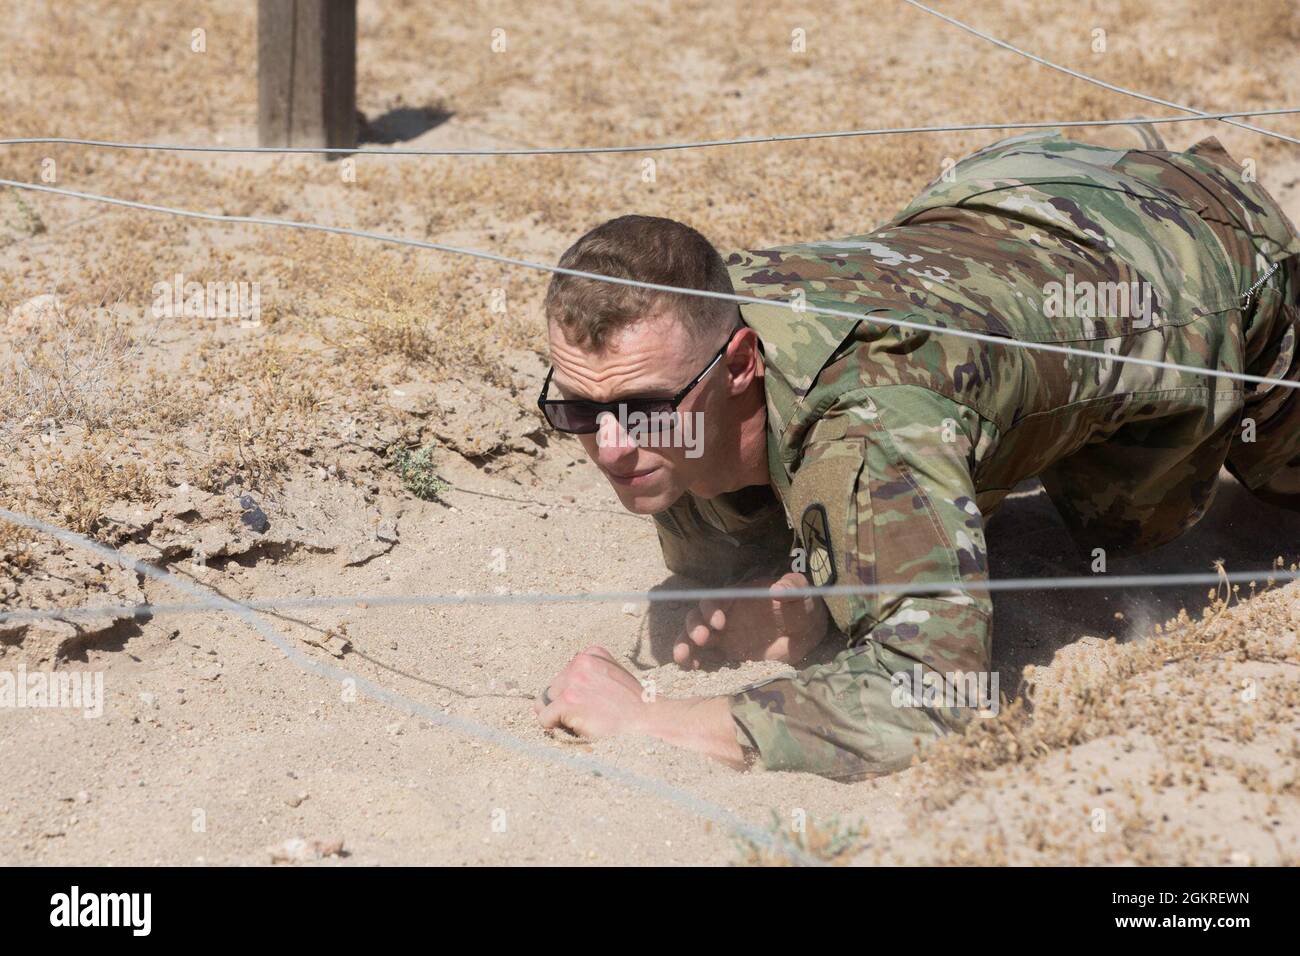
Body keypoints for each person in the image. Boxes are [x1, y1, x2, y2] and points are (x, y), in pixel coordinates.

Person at [533, 130, 1300, 779]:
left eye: (645, 411)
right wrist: (816, 606)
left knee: (1147, 515)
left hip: (1204, 258)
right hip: (1010, 203)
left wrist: (647, 718)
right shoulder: (687, 320)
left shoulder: (874, 420)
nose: (611, 446)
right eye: (577, 408)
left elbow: (931, 702)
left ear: (739, 366)